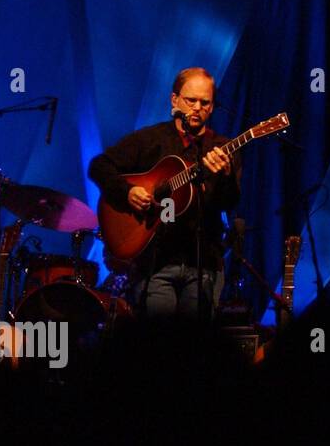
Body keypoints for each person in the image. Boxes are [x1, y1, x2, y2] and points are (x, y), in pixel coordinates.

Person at [88, 67, 240, 320]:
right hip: (155, 264)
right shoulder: (151, 139)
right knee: (157, 346)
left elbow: (230, 201)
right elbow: (99, 166)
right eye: (191, 100)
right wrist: (128, 192)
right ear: (174, 100)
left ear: (212, 107)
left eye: (205, 102)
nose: (197, 108)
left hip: (203, 264)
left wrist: (224, 175)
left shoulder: (221, 149)